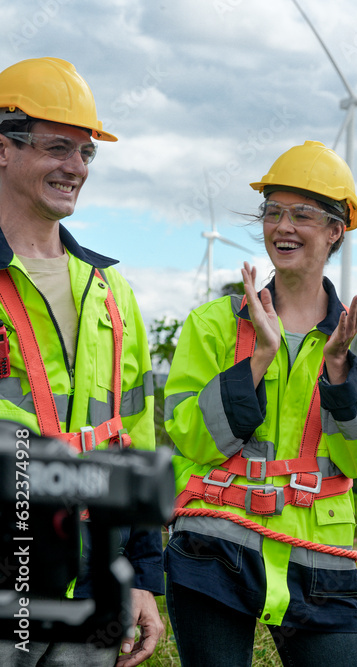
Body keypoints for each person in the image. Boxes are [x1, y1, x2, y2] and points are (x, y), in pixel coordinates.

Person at [163, 140, 357, 666]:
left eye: (302, 214)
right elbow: (191, 437)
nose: (283, 227)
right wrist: (259, 357)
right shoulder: (213, 324)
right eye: (272, 212)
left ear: (335, 230)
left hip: (319, 560)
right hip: (215, 543)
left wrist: (341, 372)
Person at [0, 58, 164, 666]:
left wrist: (144, 576)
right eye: (58, 148)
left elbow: (138, 440)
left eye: (87, 154)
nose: (76, 167)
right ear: (3, 149)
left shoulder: (110, 290)